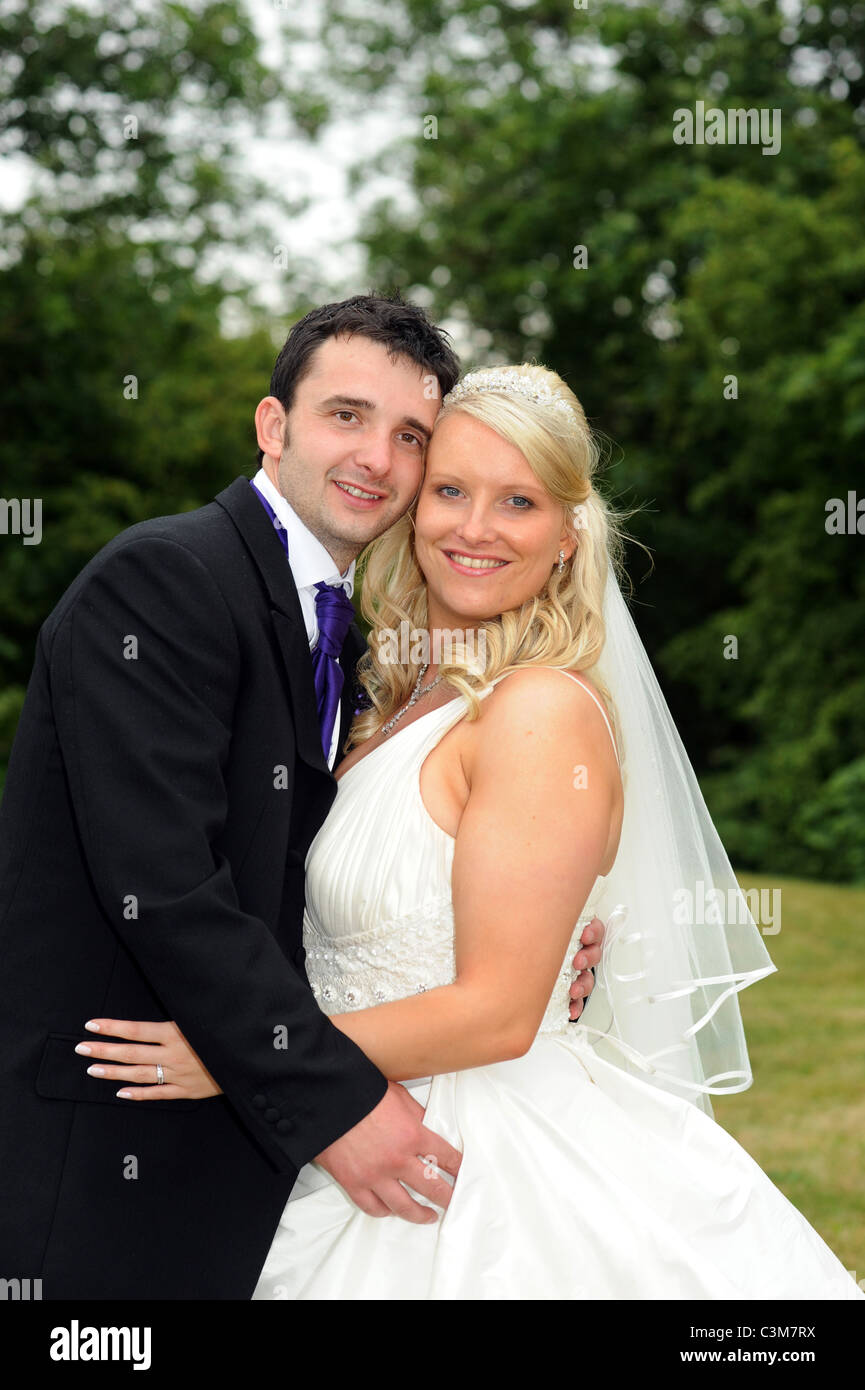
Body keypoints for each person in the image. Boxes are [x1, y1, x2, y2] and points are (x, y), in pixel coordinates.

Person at [88, 363, 864, 1300]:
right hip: (345, 1122)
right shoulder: (392, 695)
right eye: (450, 490)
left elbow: (497, 1012)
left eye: (519, 502)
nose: (474, 528)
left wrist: (244, 1052)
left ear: (567, 539)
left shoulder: (538, 710)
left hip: (478, 1161)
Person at [0, 298, 607, 1300]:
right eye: (345, 416)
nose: (377, 456)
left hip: (256, 1157)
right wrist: (327, 1095)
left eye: (409, 435)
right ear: (273, 426)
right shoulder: (166, 582)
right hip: (113, 1135)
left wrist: (554, 935)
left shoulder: (359, 649)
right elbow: (171, 889)